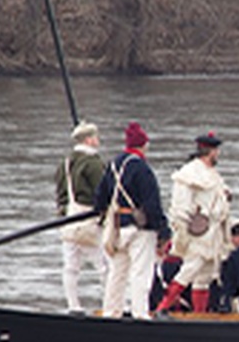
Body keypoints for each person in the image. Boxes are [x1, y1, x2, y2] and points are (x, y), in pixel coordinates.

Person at [93, 121, 169, 319]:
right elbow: (152, 205)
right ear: (143, 145)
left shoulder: (112, 166)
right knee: (140, 274)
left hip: (118, 227)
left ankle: (111, 313)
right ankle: (140, 314)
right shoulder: (142, 169)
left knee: (117, 273)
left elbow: (100, 198)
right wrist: (163, 231)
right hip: (140, 229)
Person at [156, 132, 233, 314]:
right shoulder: (188, 174)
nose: (218, 154)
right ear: (210, 151)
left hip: (213, 234)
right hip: (199, 234)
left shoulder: (212, 174)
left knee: (203, 277)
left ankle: (199, 315)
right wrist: (185, 234)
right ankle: (162, 308)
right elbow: (179, 209)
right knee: (190, 270)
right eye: (216, 151)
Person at [54, 121, 108, 315]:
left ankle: (73, 305)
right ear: (89, 139)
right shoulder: (93, 163)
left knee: (71, 267)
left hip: (69, 221)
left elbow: (60, 194)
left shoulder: (66, 162)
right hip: (89, 221)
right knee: (104, 266)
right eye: (95, 137)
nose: (98, 140)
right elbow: (103, 192)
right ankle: (113, 304)